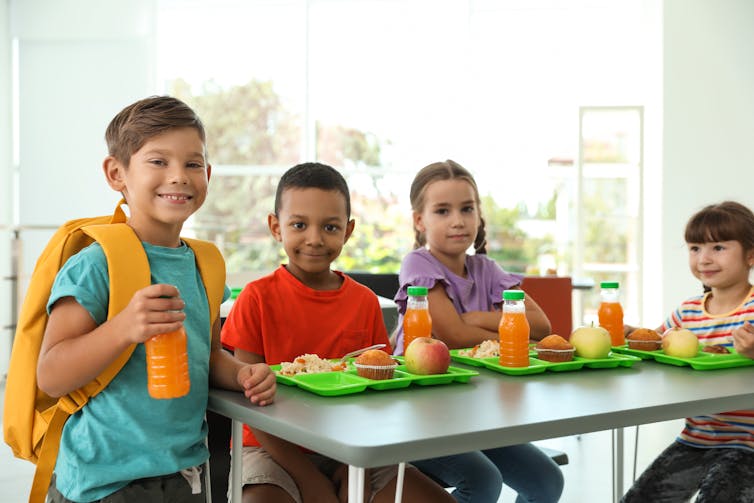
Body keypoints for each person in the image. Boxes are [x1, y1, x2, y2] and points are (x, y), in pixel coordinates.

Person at [36, 96, 276, 503]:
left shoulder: (206, 263)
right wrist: (124, 328)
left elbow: (207, 353)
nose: (179, 176)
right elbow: (52, 375)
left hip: (183, 474)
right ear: (117, 173)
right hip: (103, 482)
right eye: (158, 161)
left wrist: (239, 374)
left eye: (193, 163)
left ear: (208, 174)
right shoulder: (95, 265)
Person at [221, 162, 455, 503]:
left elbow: (375, 397)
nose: (314, 239)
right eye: (299, 225)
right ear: (276, 227)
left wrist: (356, 466)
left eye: (330, 227)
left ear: (347, 230)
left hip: (352, 446)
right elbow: (251, 406)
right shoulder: (257, 299)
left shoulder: (363, 302)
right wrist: (308, 479)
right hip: (272, 449)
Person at [395, 159, 563, 503]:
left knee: (547, 482)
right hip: (421, 413)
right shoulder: (418, 264)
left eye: (466, 209)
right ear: (419, 221)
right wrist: (508, 333)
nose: (457, 220)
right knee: (483, 482)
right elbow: (453, 335)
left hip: (477, 413)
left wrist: (478, 318)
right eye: (442, 211)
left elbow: (542, 326)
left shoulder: (487, 269)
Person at [621, 200, 754, 503]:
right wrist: (631, 336)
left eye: (718, 247)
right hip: (698, 437)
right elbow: (656, 345)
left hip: (749, 443)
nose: (704, 259)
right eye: (695, 248)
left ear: (751, 255)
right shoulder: (688, 312)